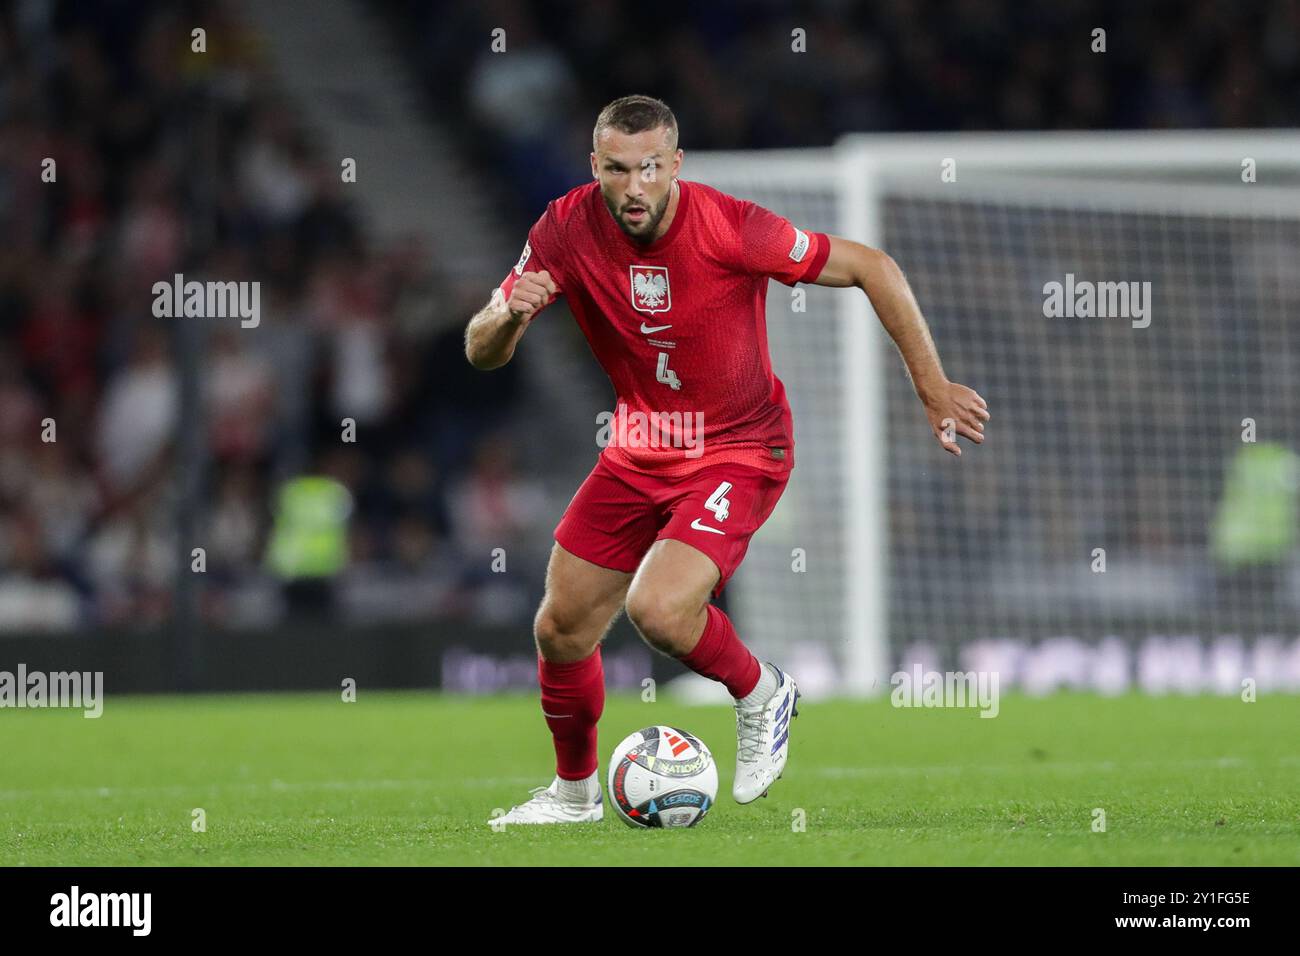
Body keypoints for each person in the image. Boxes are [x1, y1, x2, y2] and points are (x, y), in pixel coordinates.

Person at [464, 95, 989, 824]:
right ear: (596, 167)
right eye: (618, 169)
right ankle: (575, 796)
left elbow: (873, 266)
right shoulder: (562, 226)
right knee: (560, 628)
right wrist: (508, 314)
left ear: (675, 164)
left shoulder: (731, 227)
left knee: (660, 610)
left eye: (651, 168)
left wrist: (931, 387)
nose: (635, 186)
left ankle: (761, 690)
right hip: (638, 448)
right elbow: (480, 351)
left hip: (739, 449)